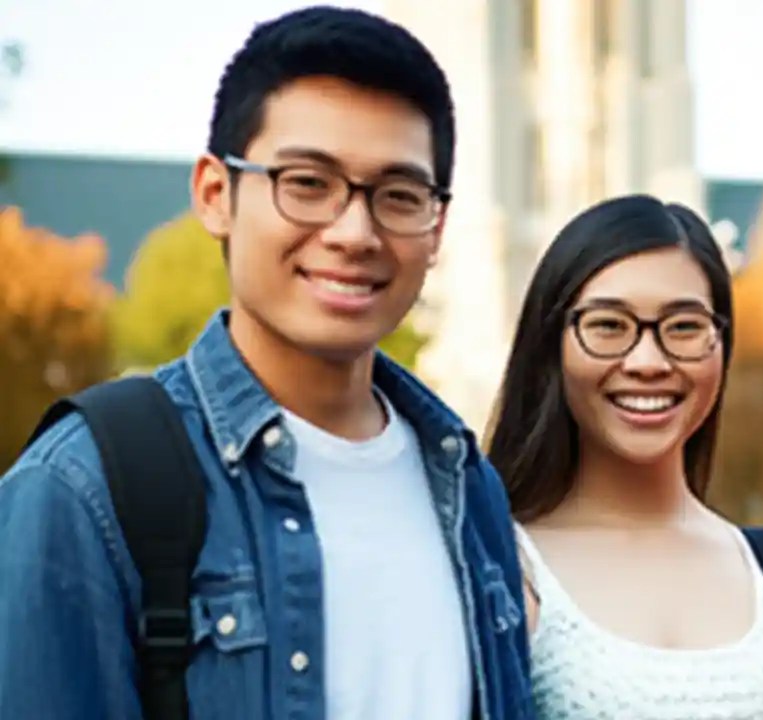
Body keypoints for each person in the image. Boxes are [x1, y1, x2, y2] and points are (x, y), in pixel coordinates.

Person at [0, 7, 531, 719]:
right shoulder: (84, 486)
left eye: (399, 196)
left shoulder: (470, 490)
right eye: (308, 183)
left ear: (435, 228)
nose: (353, 232)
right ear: (216, 194)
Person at [484, 194, 763, 720]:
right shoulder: (499, 568)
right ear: (552, 345)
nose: (648, 361)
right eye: (609, 325)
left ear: (721, 344)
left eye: (683, 327)